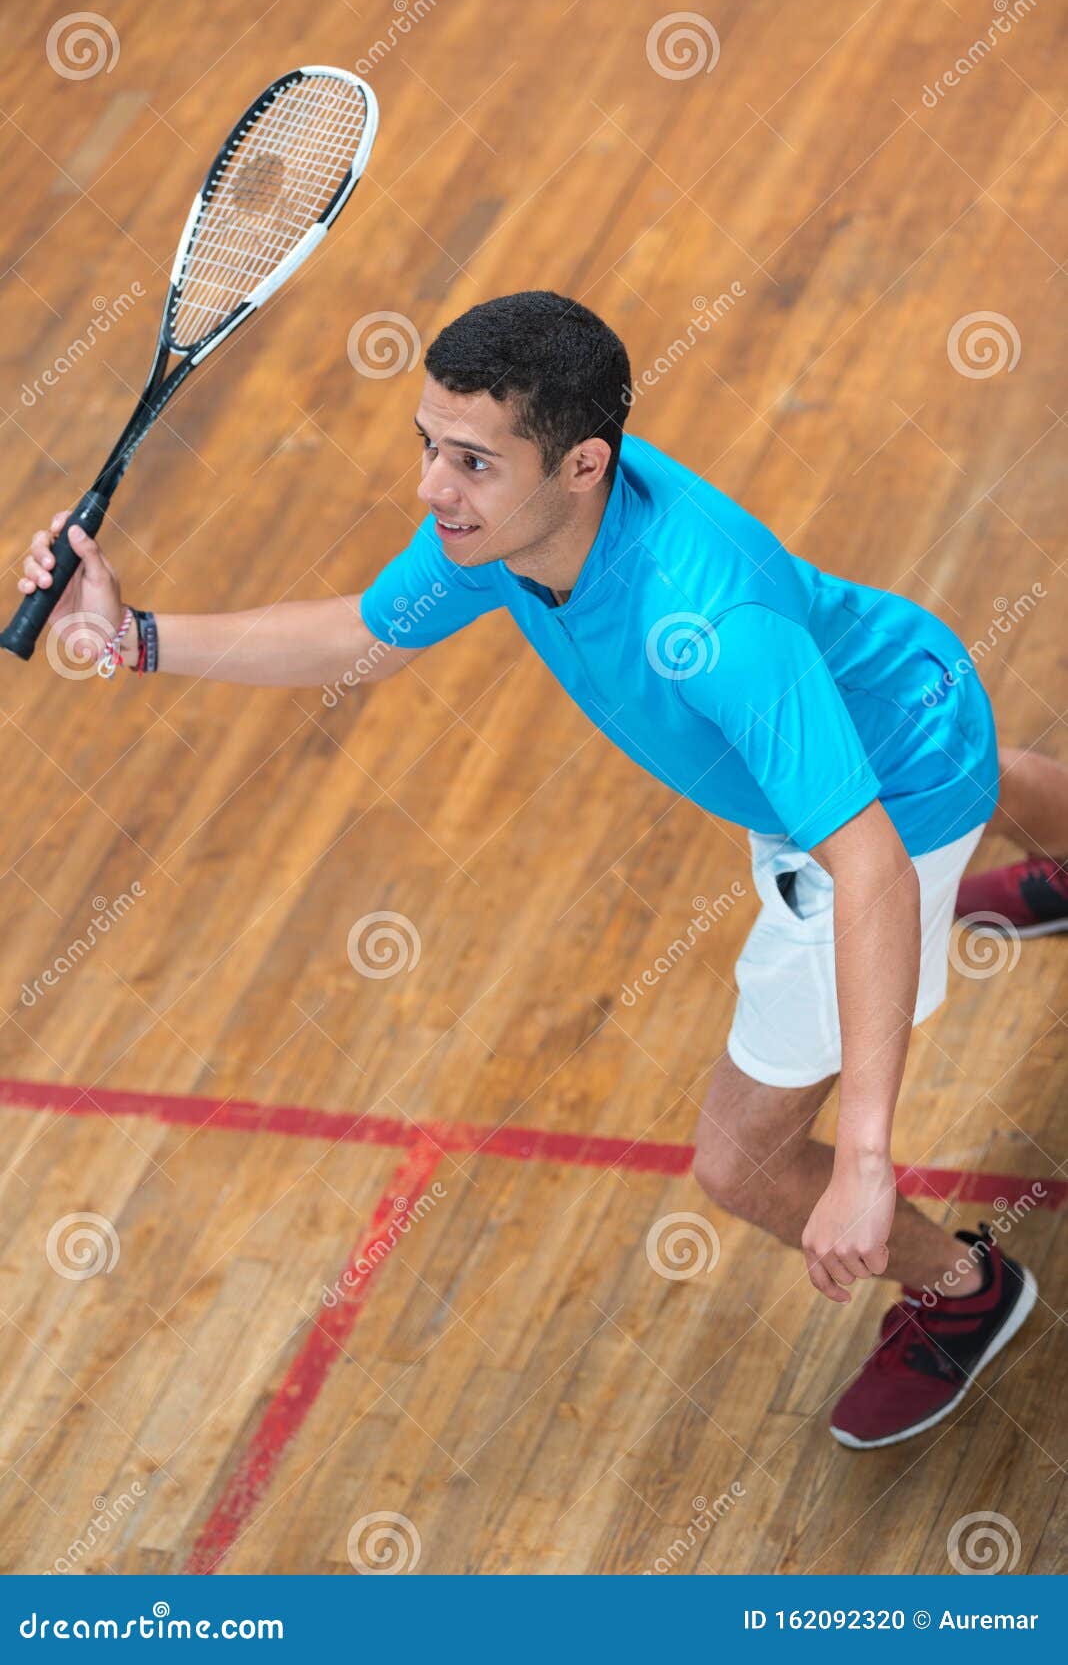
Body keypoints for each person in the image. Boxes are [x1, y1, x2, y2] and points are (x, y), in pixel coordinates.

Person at [15, 290, 1067, 1448]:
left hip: (890, 803)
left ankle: (964, 1289)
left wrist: (865, 1163)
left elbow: (867, 867)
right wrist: (137, 636)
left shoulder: (705, 620)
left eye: (467, 460)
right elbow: (362, 637)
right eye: (428, 445)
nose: (431, 488)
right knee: (983, 769)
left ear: (581, 464)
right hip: (908, 675)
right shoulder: (508, 521)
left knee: (743, 1161)